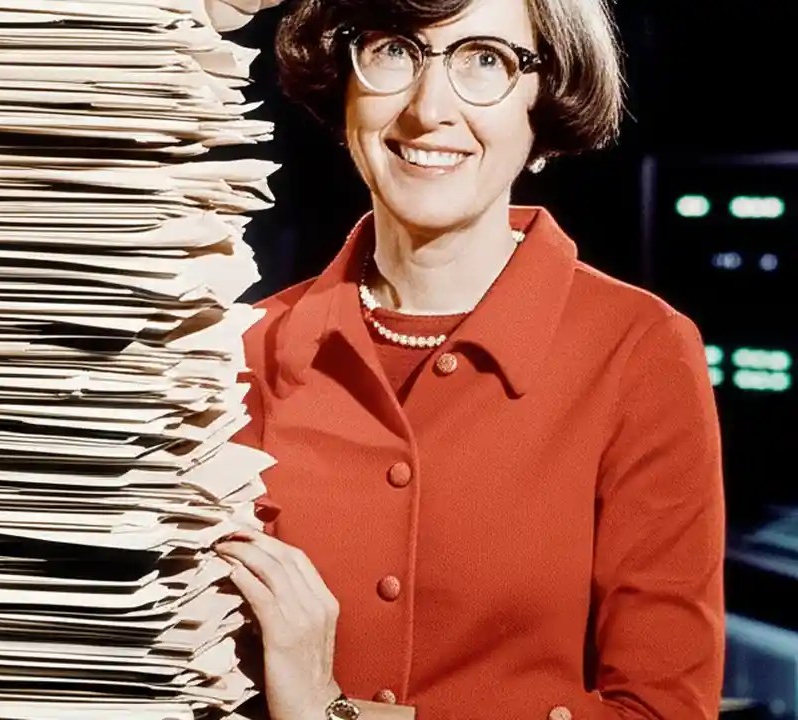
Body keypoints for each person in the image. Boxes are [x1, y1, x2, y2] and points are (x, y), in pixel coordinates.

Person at [212, 0, 726, 719]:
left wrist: (329, 711)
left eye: (487, 60)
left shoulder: (640, 350)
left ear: (545, 96)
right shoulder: (236, 349)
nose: (429, 110)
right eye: (395, 49)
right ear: (345, 78)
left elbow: (662, 710)